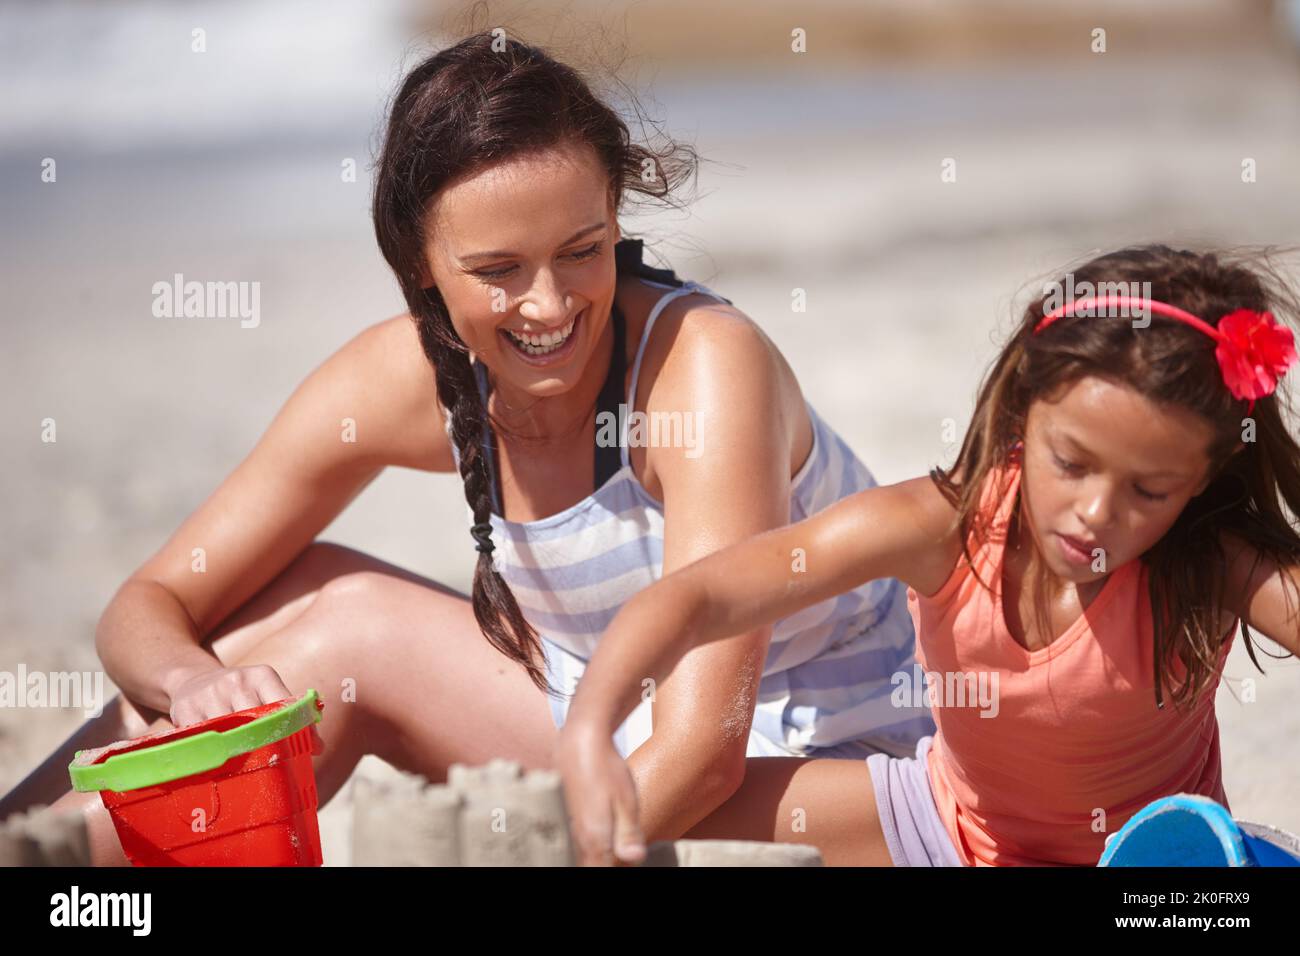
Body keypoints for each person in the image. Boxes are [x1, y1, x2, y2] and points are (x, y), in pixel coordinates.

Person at [0, 31, 932, 863]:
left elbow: (703, 757)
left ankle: (70, 870)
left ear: (617, 217)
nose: (551, 305)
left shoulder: (700, 369)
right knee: (276, 609)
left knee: (350, 626)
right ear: (420, 268)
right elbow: (151, 604)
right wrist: (195, 684)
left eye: (583, 249)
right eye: (496, 271)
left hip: (831, 769)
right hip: (610, 737)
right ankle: (32, 846)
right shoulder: (401, 379)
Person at [555, 243, 1300, 866]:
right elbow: (702, 598)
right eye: (1070, 463)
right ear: (1020, 411)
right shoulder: (941, 526)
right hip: (945, 826)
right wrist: (591, 730)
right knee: (627, 829)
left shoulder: (1209, 562)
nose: (1098, 512)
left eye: (1151, 491)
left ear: (1202, 483)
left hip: (1148, 858)